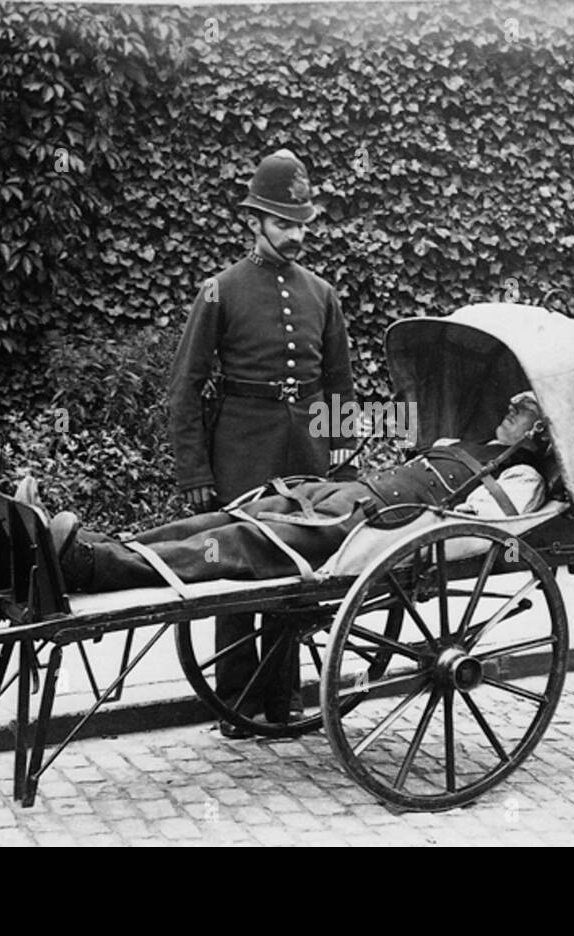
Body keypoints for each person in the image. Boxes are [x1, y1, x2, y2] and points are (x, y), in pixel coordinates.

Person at [167, 149, 358, 733]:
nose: (295, 235)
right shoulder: (220, 291)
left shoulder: (322, 293)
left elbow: (339, 383)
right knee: (239, 571)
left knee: (298, 571)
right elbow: (185, 388)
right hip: (241, 448)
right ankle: (238, 703)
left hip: (304, 452)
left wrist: (343, 456)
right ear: (255, 221)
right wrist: (196, 476)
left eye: (301, 224)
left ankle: (285, 700)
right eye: (283, 223)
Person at [28, 393, 549, 594]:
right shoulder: (461, 443)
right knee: (235, 515)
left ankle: (92, 567)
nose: (509, 409)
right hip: (347, 496)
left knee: (242, 542)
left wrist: (396, 540)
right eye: (513, 403)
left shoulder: (522, 478)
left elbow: (480, 534)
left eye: (523, 409)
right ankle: (96, 544)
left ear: (539, 432)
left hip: (374, 528)